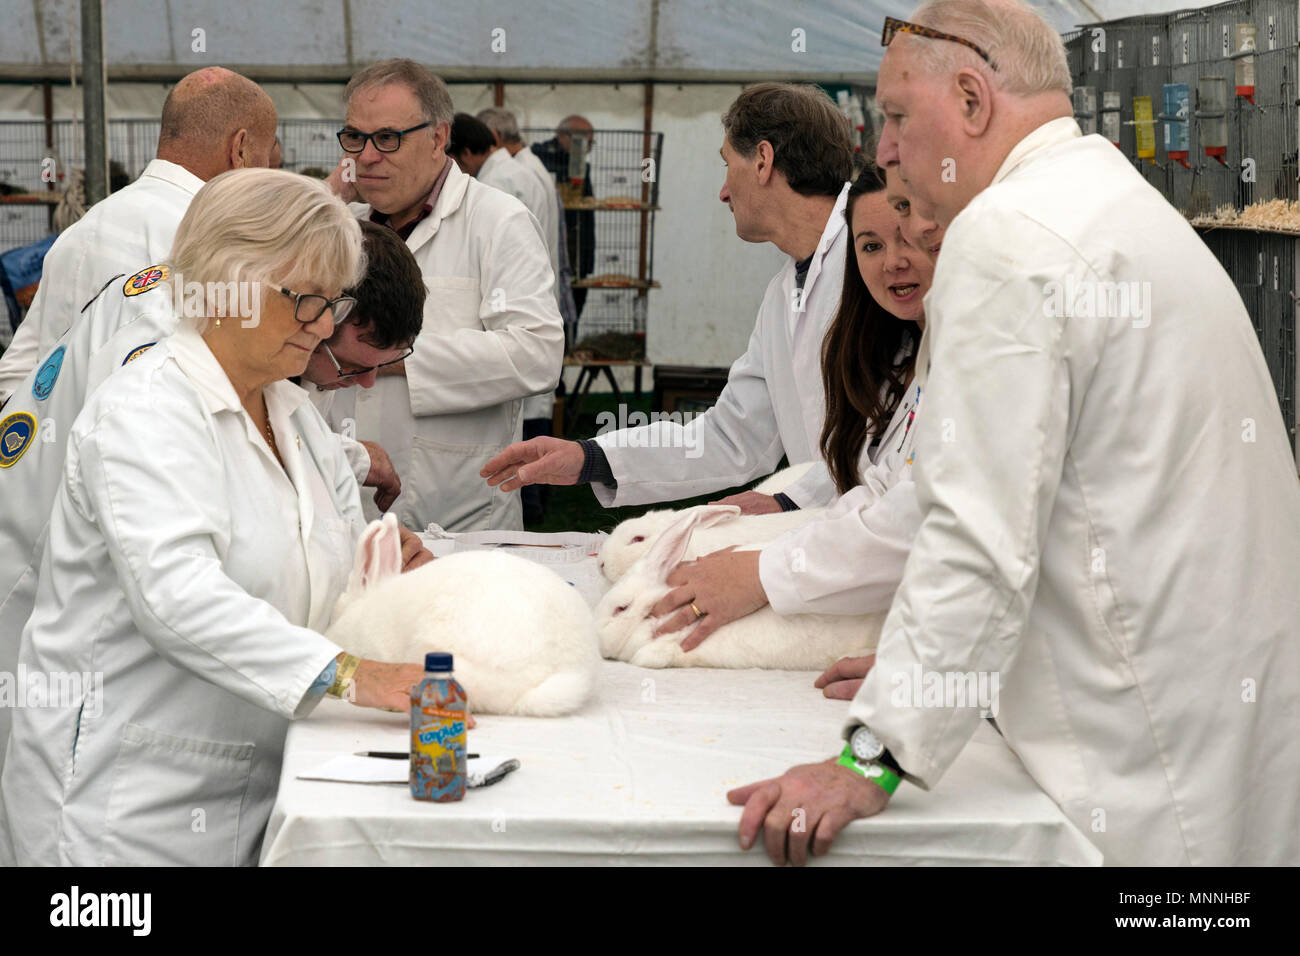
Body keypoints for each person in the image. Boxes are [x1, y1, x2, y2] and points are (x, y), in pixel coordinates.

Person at [729, 0, 1300, 867]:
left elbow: (978, 530)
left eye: (892, 117)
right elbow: (1071, 496)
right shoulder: (1104, 199)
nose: (881, 149)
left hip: (1138, 751)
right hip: (1210, 708)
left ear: (970, 101)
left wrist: (871, 755)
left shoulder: (1008, 236)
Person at [0, 169, 441, 867]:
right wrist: (350, 673)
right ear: (232, 283)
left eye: (332, 302)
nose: (324, 325)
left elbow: (324, 551)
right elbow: (176, 595)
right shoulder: (146, 409)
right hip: (123, 801)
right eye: (306, 300)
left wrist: (381, 556)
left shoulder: (293, 414)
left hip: (239, 773)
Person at [482, 83, 855, 513]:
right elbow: (731, 435)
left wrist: (788, 503)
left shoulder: (876, 267)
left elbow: (895, 447)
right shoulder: (783, 293)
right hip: (832, 545)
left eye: (726, 164)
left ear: (763, 162)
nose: (723, 192)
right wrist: (591, 459)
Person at [646, 165, 942, 648]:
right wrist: (783, 527)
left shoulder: (969, 354)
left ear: (763, 161)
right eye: (869, 246)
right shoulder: (900, 349)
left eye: (908, 238)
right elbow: (879, 488)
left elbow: (918, 515)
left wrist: (764, 570)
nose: (892, 262)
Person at [326, 58, 564, 531]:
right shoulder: (339, 222)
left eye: (388, 138)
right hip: (345, 506)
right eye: (355, 137)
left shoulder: (497, 220)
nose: (367, 156)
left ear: (438, 138)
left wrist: (385, 357)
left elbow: (537, 353)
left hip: (457, 514)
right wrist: (329, 195)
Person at [0, 67, 279, 406]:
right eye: (267, 162)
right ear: (240, 150)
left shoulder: (78, 232)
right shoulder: (214, 246)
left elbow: (15, 376)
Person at [303, 221, 428, 512]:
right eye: (351, 366)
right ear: (311, 319)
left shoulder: (323, 366)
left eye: (382, 365)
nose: (368, 382)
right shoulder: (245, 373)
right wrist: (355, 458)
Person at [532, 115, 596, 317]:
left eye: (589, 142)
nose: (585, 147)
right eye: (581, 140)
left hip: (580, 251)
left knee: (576, 307)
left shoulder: (579, 164)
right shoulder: (541, 158)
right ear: (561, 135)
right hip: (555, 252)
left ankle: (572, 346)